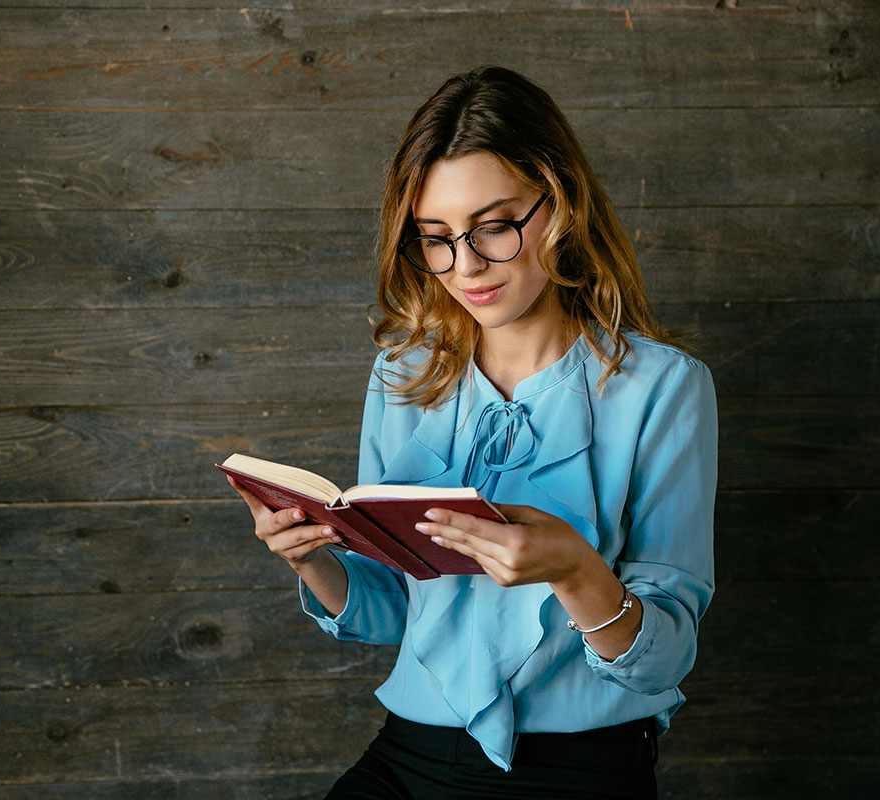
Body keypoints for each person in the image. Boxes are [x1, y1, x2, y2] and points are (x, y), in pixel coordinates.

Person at [227, 66, 716, 799]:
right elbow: (394, 608)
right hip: (412, 752)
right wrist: (311, 559)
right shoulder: (402, 375)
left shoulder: (664, 388)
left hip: (578, 766)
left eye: (494, 227)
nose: (466, 267)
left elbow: (661, 661)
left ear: (561, 205)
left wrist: (576, 572)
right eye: (437, 238)